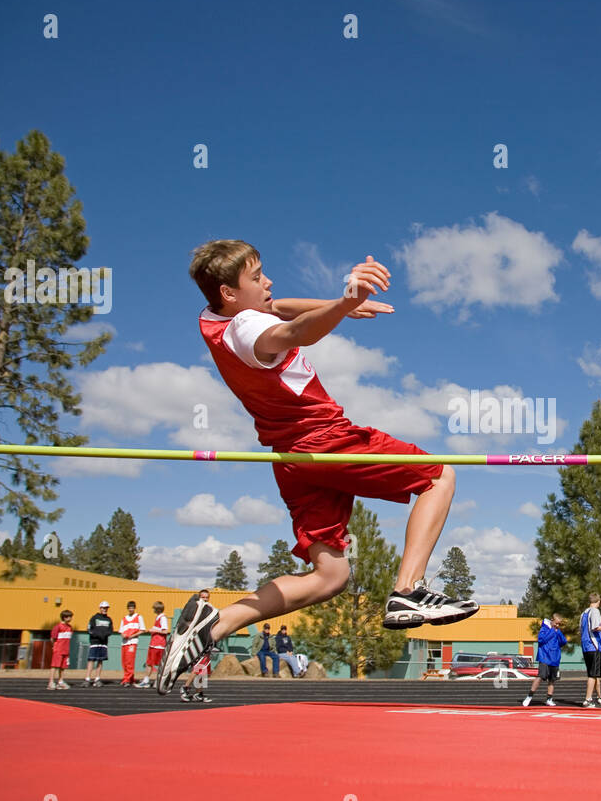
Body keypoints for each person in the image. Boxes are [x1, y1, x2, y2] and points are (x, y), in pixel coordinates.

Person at [158, 243, 479, 694]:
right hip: (324, 441)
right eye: (257, 277)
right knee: (438, 475)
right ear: (231, 293)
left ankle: (214, 626)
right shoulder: (248, 330)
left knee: (331, 577)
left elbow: (282, 306)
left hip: (291, 458)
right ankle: (408, 590)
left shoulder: (214, 316)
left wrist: (341, 307)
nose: (268, 282)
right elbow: (293, 332)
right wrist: (344, 303)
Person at [522, 614, 566, 707]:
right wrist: (552, 631)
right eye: (556, 623)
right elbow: (541, 640)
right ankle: (529, 696)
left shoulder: (557, 631)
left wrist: (558, 632)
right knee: (540, 676)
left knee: (551, 680)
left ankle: (549, 699)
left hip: (554, 658)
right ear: (552, 620)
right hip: (545, 657)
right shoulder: (544, 629)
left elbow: (563, 642)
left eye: (559, 624)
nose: (557, 625)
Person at [137, 601, 167, 688]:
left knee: (159, 664)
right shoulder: (158, 617)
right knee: (149, 663)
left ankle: (158, 681)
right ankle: (146, 680)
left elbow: (165, 631)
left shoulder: (163, 618)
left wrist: (154, 630)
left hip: (159, 645)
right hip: (153, 644)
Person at [84, 601, 112, 687]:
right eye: (103, 608)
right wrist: (96, 635)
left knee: (100, 661)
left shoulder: (109, 619)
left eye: (106, 608)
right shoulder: (94, 618)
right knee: (91, 660)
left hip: (103, 643)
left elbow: (110, 630)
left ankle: (97, 678)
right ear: (100, 608)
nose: (105, 609)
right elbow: (89, 629)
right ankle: (87, 679)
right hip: (94, 642)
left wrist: (105, 635)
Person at [119, 601, 145, 687]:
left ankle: (127, 679)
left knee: (130, 661)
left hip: (132, 642)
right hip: (124, 642)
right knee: (124, 661)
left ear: (134, 608)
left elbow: (142, 630)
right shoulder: (124, 618)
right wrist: (124, 635)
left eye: (132, 607)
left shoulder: (138, 617)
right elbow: (121, 630)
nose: (131, 609)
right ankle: (130, 678)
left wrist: (132, 636)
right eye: (129, 607)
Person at [47, 609, 74, 690]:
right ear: (64, 617)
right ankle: (51, 682)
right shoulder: (58, 627)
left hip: (66, 650)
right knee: (55, 666)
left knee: (63, 667)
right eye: (69, 617)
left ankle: (60, 681)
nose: (71, 619)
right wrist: (54, 646)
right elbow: (52, 638)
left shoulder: (70, 627)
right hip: (58, 649)